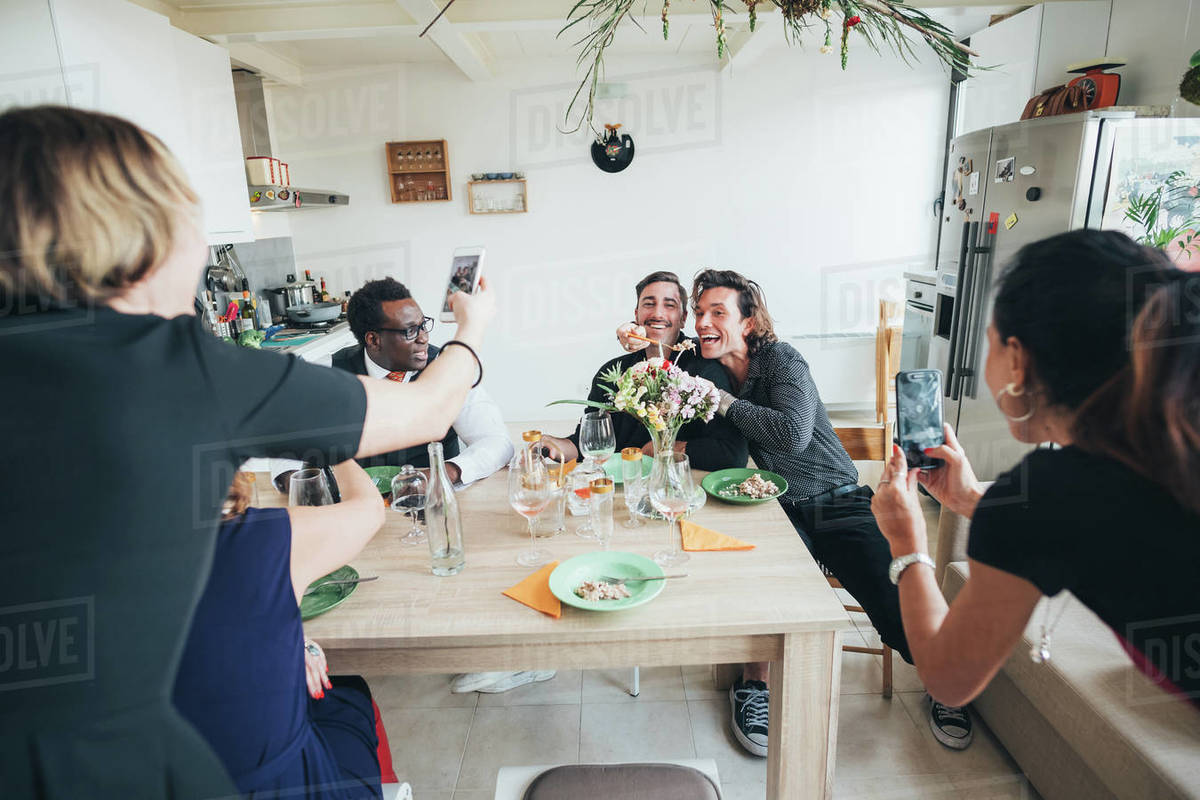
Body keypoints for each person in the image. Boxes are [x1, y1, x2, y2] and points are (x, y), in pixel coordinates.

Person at [0, 105, 493, 797]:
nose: (199, 248)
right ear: (135, 231)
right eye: (187, 218)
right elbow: (429, 409)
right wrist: (470, 331)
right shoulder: (160, 367)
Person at [617, 269, 971, 756]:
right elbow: (665, 385)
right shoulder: (708, 365)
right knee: (760, 584)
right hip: (771, 501)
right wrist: (651, 349)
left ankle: (942, 677)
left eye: (718, 312)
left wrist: (721, 402)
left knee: (886, 585)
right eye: (699, 313)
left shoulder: (782, 360)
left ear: (750, 321)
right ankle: (754, 686)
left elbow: (792, 436)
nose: (703, 323)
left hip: (836, 495)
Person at [870, 230, 1200, 710]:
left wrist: (907, 543)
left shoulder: (1051, 490)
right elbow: (1111, 531)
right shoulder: (1170, 441)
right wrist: (971, 501)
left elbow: (948, 678)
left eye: (990, 344)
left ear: (1018, 360)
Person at [173, 461, 397, 798]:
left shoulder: (76, 569)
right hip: (283, 787)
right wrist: (336, 447)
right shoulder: (258, 539)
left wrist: (287, 643)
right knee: (346, 695)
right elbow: (369, 510)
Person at [274, 278, 514, 489]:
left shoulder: (450, 367)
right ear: (373, 339)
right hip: (355, 511)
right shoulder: (326, 373)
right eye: (410, 331)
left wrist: (447, 473)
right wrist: (295, 478)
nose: (424, 338)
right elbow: (283, 443)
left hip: (432, 506)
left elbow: (497, 442)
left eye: (423, 325)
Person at [541, 270, 748, 471]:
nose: (658, 314)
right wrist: (552, 444)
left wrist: (667, 449)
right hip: (619, 489)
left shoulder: (704, 371)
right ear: (636, 314)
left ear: (683, 318)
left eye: (669, 305)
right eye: (649, 304)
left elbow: (732, 453)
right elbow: (588, 444)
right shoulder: (611, 372)